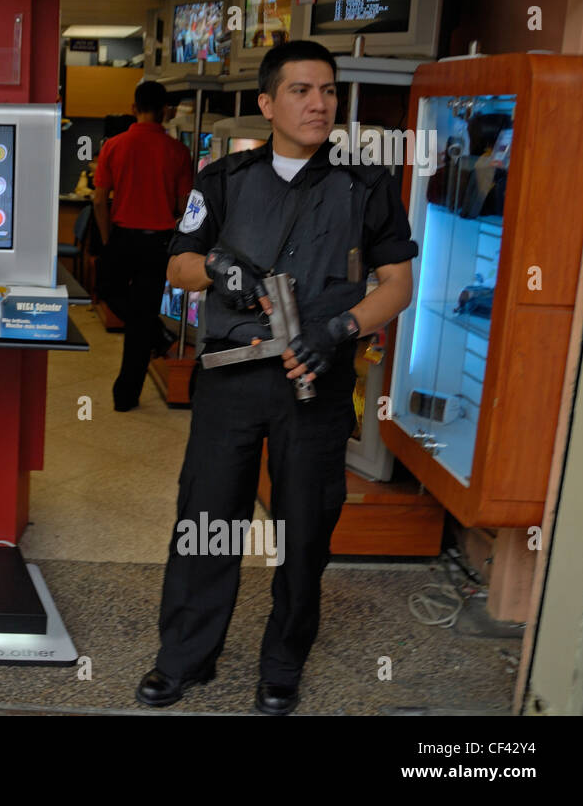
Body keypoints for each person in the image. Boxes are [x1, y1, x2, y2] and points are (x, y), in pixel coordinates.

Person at [136, 40, 417, 715]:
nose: (318, 103)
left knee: (304, 528)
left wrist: (339, 331)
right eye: (301, 90)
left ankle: (282, 664)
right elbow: (178, 265)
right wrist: (219, 271)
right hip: (232, 381)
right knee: (207, 521)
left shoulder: (367, 185)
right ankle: (184, 658)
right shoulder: (223, 180)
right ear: (268, 103)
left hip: (315, 382)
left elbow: (398, 285)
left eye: (327, 91)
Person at [91, 80, 194, 411]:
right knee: (143, 313)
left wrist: (107, 240)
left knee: (107, 290)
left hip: (122, 236)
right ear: (165, 111)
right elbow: (182, 205)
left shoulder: (114, 145)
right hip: (159, 243)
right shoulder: (178, 152)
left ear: (133, 108)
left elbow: (98, 201)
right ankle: (128, 392)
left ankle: (150, 342)